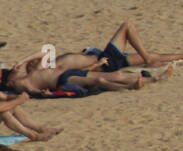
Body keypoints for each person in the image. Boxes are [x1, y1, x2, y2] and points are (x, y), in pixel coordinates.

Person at [49, 20, 183, 73]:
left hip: (101, 58)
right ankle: (149, 61)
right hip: (105, 63)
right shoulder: (53, 71)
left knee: (147, 54)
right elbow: (72, 77)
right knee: (127, 26)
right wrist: (96, 65)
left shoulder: (52, 63)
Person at [2, 56, 172, 97]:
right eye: (12, 73)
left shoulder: (30, 72)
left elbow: (42, 53)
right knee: (100, 80)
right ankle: (129, 86)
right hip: (63, 80)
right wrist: (48, 94)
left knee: (116, 74)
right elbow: (32, 92)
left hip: (68, 73)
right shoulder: (19, 84)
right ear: (9, 81)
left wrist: (23, 61)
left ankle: (154, 79)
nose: (16, 71)